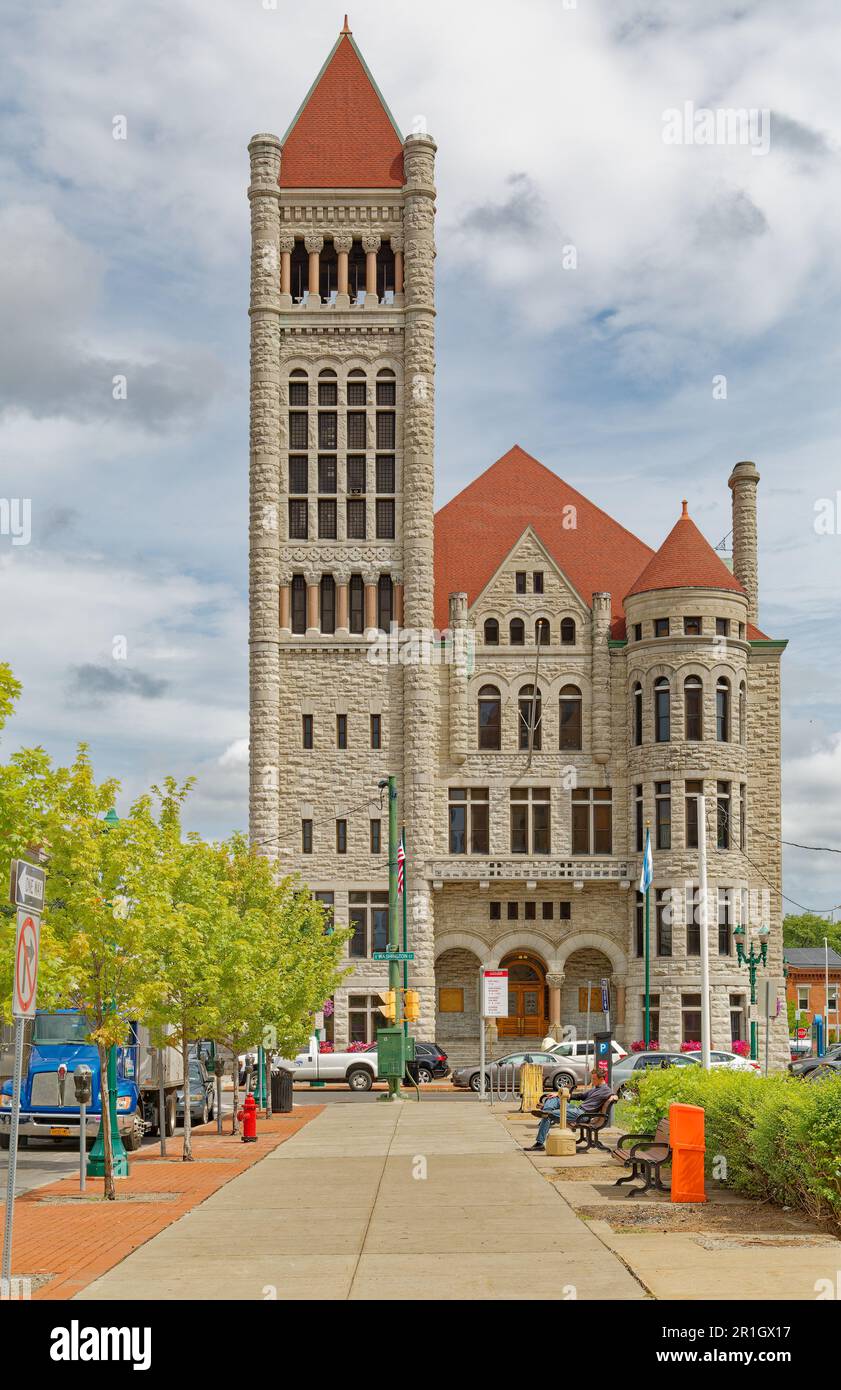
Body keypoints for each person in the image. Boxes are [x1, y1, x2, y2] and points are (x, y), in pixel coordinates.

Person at [526, 1069, 613, 1152]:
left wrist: (615, 1097)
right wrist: (561, 1094)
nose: (592, 1081)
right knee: (555, 1098)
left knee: (548, 1115)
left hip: (583, 1115)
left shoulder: (605, 1090)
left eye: (594, 1079)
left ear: (601, 1079)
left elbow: (613, 1095)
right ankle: (546, 1111)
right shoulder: (595, 1088)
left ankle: (539, 1142)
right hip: (577, 1110)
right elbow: (581, 1096)